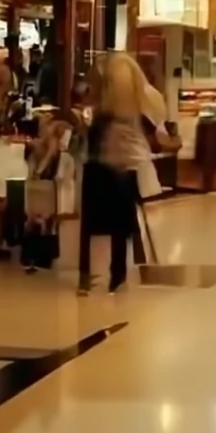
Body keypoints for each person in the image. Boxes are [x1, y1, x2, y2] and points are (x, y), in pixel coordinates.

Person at [78, 53, 171, 294]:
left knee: (94, 224)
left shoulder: (101, 115)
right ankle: (117, 276)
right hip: (126, 168)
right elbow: (158, 135)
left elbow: (90, 141)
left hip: (100, 169)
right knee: (121, 224)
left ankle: (88, 276)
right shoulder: (138, 105)